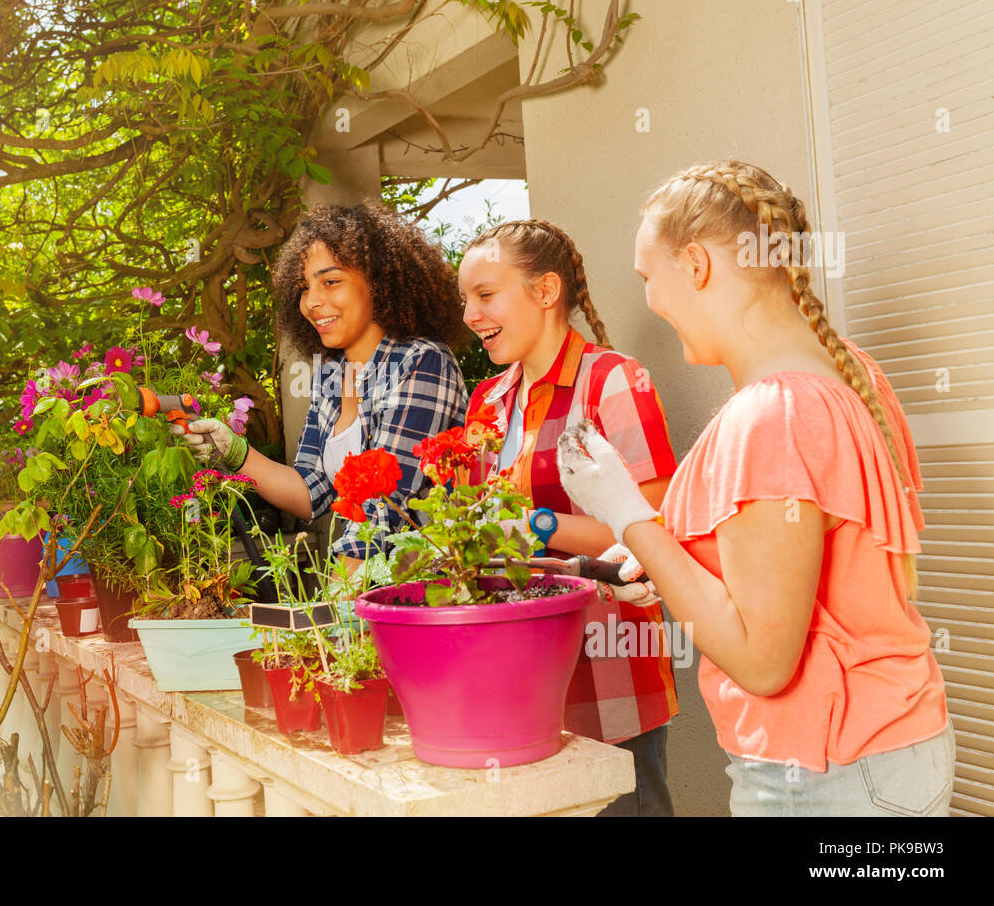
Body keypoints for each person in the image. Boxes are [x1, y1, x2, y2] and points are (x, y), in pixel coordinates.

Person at [557, 160, 953, 816]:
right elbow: (797, 575)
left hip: (831, 778)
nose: (650, 300)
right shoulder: (852, 372)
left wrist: (629, 516)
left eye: (648, 277)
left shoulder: (772, 417)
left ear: (695, 265)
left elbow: (763, 661)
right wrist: (665, 556)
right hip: (898, 751)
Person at [457, 219, 679, 816]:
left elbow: (655, 532)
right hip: (514, 676)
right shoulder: (489, 401)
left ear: (547, 290)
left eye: (486, 295)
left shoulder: (612, 381)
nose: (471, 315)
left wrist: (538, 528)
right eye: (465, 301)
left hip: (607, 673)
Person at [176, 200, 469, 574]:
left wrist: (335, 603)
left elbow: (386, 506)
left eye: (331, 282)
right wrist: (233, 450)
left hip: (427, 588)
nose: (312, 301)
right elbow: (310, 491)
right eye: (304, 287)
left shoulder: (422, 361)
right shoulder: (331, 374)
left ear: (379, 284)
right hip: (365, 585)